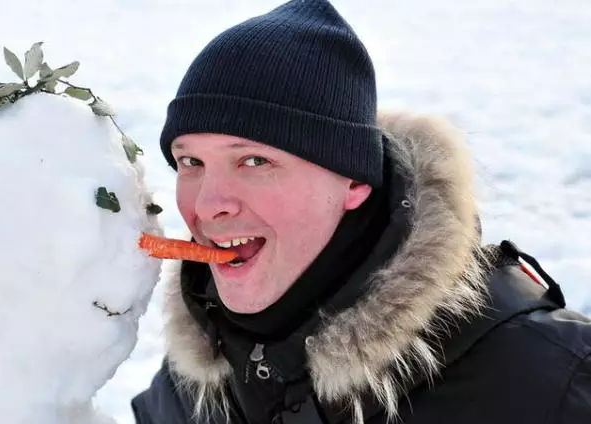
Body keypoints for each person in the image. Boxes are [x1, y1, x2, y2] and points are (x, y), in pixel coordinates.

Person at [131, 0, 591, 423]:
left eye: (254, 161)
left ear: (353, 180)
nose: (209, 206)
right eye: (191, 162)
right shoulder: (190, 382)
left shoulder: (555, 384)